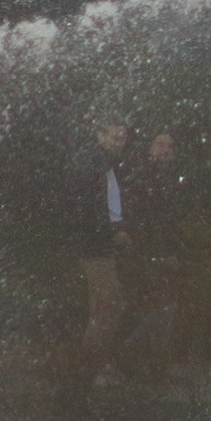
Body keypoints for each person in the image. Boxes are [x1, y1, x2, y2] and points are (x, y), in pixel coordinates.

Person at [130, 125, 187, 386]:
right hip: (149, 253)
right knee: (159, 307)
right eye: (160, 145)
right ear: (150, 148)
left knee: (164, 308)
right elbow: (148, 221)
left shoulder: (173, 178)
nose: (165, 151)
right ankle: (132, 358)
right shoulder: (144, 178)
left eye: (169, 146)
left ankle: (154, 366)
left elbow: (172, 219)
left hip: (163, 251)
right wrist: (163, 253)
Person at [78, 124, 132, 382]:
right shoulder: (93, 163)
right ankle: (88, 371)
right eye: (114, 135)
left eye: (123, 137)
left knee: (106, 306)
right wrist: (111, 232)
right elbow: (90, 205)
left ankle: (95, 367)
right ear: (99, 135)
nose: (119, 141)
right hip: (95, 245)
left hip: (104, 243)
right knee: (107, 305)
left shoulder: (109, 164)